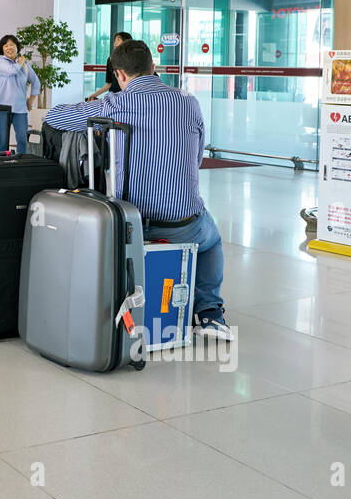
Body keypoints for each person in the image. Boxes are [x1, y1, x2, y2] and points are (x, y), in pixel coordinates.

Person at [44, 40, 233, 341]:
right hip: (183, 224)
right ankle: (209, 314)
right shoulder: (188, 102)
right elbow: (196, 160)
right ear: (153, 67)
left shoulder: (115, 103)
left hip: (130, 225)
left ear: (119, 75)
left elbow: (54, 117)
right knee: (211, 239)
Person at [0, 34, 40, 154]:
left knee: (22, 139)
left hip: (20, 109)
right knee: (3, 141)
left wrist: (31, 100)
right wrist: (20, 62)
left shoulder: (24, 64)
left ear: (17, 47)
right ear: (2, 49)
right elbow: (11, 71)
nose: (9, 48)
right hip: (2, 108)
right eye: (6, 45)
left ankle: (20, 166)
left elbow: (36, 82)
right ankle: (0, 167)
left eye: (12, 45)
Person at [87, 31, 134, 100]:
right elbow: (109, 84)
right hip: (113, 98)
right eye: (114, 40)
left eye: (118, 40)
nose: (115, 43)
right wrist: (94, 95)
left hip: (128, 98)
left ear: (126, 42)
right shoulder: (110, 60)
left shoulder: (134, 60)